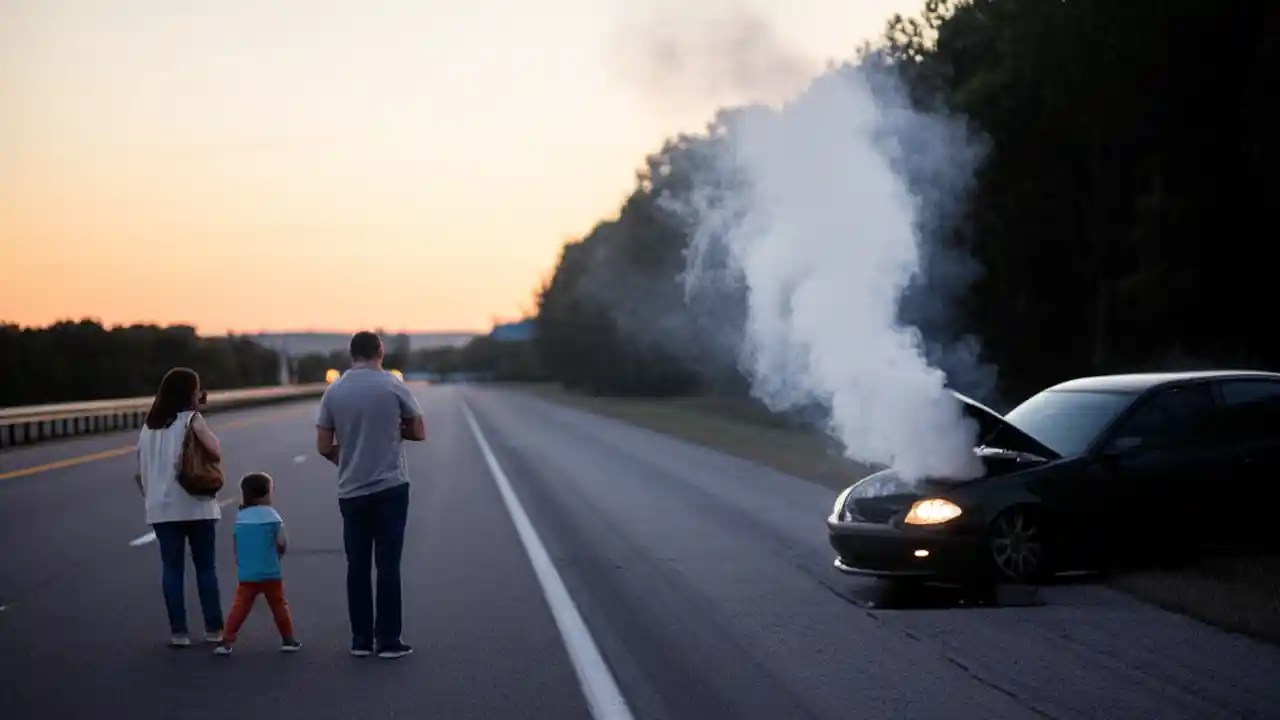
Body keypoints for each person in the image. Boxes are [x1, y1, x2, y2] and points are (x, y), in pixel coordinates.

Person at [316, 331, 426, 659]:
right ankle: (389, 640)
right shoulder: (393, 385)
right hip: (391, 486)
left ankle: (361, 640)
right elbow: (419, 431)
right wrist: (395, 430)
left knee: (357, 566)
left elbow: (323, 445)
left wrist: (348, 457)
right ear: (380, 351)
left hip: (351, 490)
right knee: (388, 565)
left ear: (351, 354)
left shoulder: (334, 391)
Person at [136, 367, 224, 647]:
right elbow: (215, 451)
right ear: (190, 393)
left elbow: (141, 469)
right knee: (205, 567)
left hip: (162, 508)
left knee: (172, 568)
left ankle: (179, 632)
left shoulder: (148, 427)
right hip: (195, 503)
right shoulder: (192, 419)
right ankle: (213, 629)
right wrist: (198, 414)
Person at [215, 472, 301, 656]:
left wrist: (241, 561)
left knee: (240, 606)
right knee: (279, 605)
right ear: (265, 495)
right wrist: (279, 555)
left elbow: (237, 543)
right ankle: (288, 639)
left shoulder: (241, 518)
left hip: (248, 573)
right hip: (271, 572)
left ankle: (226, 640)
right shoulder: (273, 516)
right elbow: (282, 542)